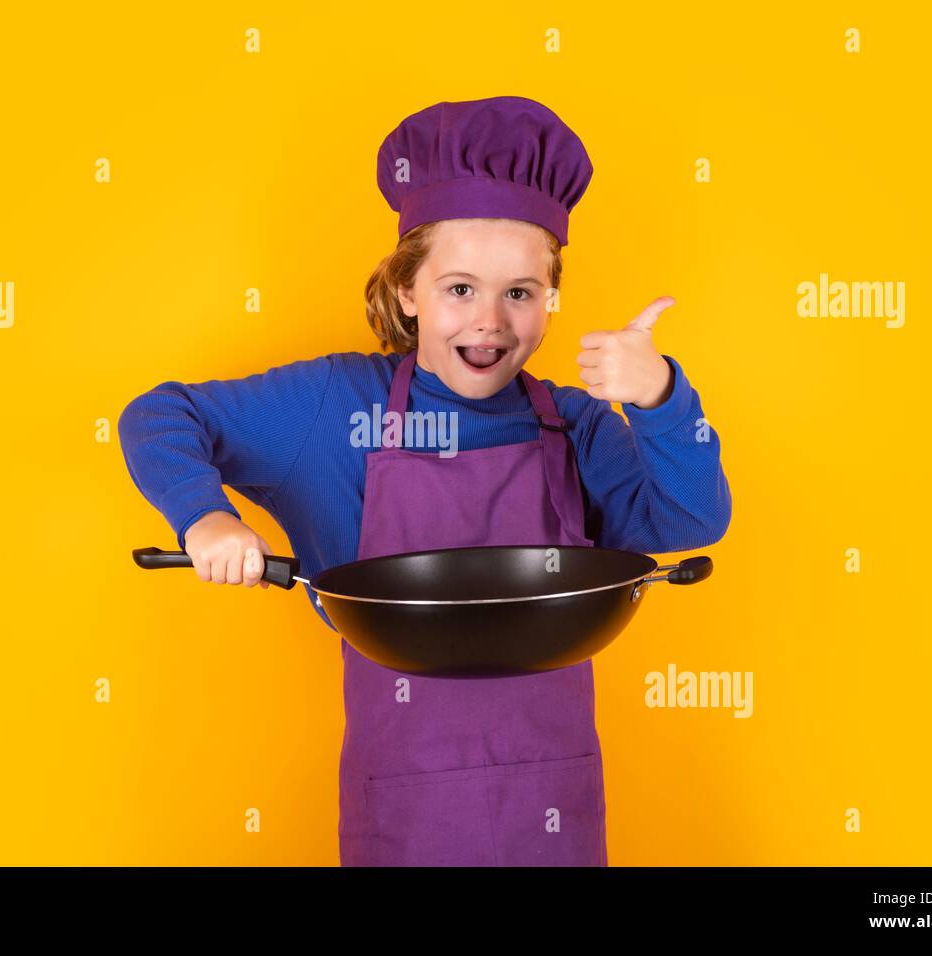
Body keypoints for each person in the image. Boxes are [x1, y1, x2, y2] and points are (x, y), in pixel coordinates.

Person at [118, 95, 732, 866]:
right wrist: (203, 518)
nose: (492, 321)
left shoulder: (575, 424)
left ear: (551, 299)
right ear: (408, 291)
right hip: (408, 816)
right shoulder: (334, 407)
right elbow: (159, 415)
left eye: (521, 292)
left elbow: (690, 521)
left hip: (554, 811)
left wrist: (662, 397)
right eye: (460, 288)